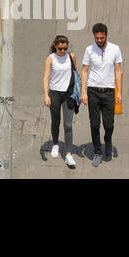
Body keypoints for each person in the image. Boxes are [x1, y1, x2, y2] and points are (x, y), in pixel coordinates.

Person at [80, 23, 122, 166]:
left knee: (109, 124)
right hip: (93, 91)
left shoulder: (115, 49)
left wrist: (119, 92)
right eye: (97, 38)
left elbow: (117, 71)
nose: (99, 40)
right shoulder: (89, 50)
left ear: (106, 36)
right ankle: (97, 151)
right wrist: (83, 92)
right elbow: (85, 70)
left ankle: (108, 140)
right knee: (95, 124)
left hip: (109, 92)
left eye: (101, 38)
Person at [42, 35, 78, 168]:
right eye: (60, 48)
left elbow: (76, 74)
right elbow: (46, 78)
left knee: (68, 125)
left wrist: (77, 92)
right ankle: (56, 143)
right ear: (55, 46)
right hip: (55, 94)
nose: (63, 51)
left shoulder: (71, 57)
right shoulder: (50, 59)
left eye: (65, 48)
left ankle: (69, 154)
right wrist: (46, 95)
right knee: (56, 121)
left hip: (68, 94)